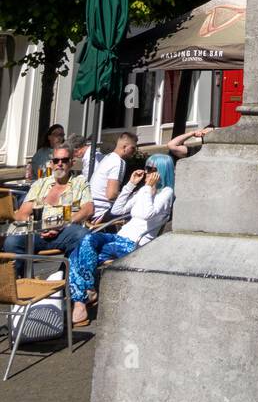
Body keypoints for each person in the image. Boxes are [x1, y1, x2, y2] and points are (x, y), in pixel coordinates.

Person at [69, 154, 175, 325]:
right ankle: (83, 299)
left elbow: (145, 214)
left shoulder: (167, 193)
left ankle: (83, 296)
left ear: (162, 172)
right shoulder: (144, 190)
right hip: (120, 238)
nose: (147, 173)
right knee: (78, 250)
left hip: (136, 244)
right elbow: (117, 209)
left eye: (152, 170)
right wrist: (131, 184)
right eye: (146, 169)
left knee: (85, 245)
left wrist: (149, 188)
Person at [5, 145, 94, 276]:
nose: (60, 164)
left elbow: (88, 209)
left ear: (72, 163)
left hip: (65, 230)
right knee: (12, 242)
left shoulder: (79, 183)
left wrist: (62, 224)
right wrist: (41, 227)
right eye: (56, 161)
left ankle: (64, 278)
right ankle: (22, 282)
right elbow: (22, 214)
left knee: (82, 235)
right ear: (51, 164)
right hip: (37, 232)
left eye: (64, 160)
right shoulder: (40, 184)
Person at [88, 131, 138, 222]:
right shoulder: (118, 162)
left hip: (92, 208)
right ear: (125, 147)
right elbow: (111, 195)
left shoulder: (108, 157)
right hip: (102, 213)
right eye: (133, 148)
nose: (135, 152)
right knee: (138, 209)